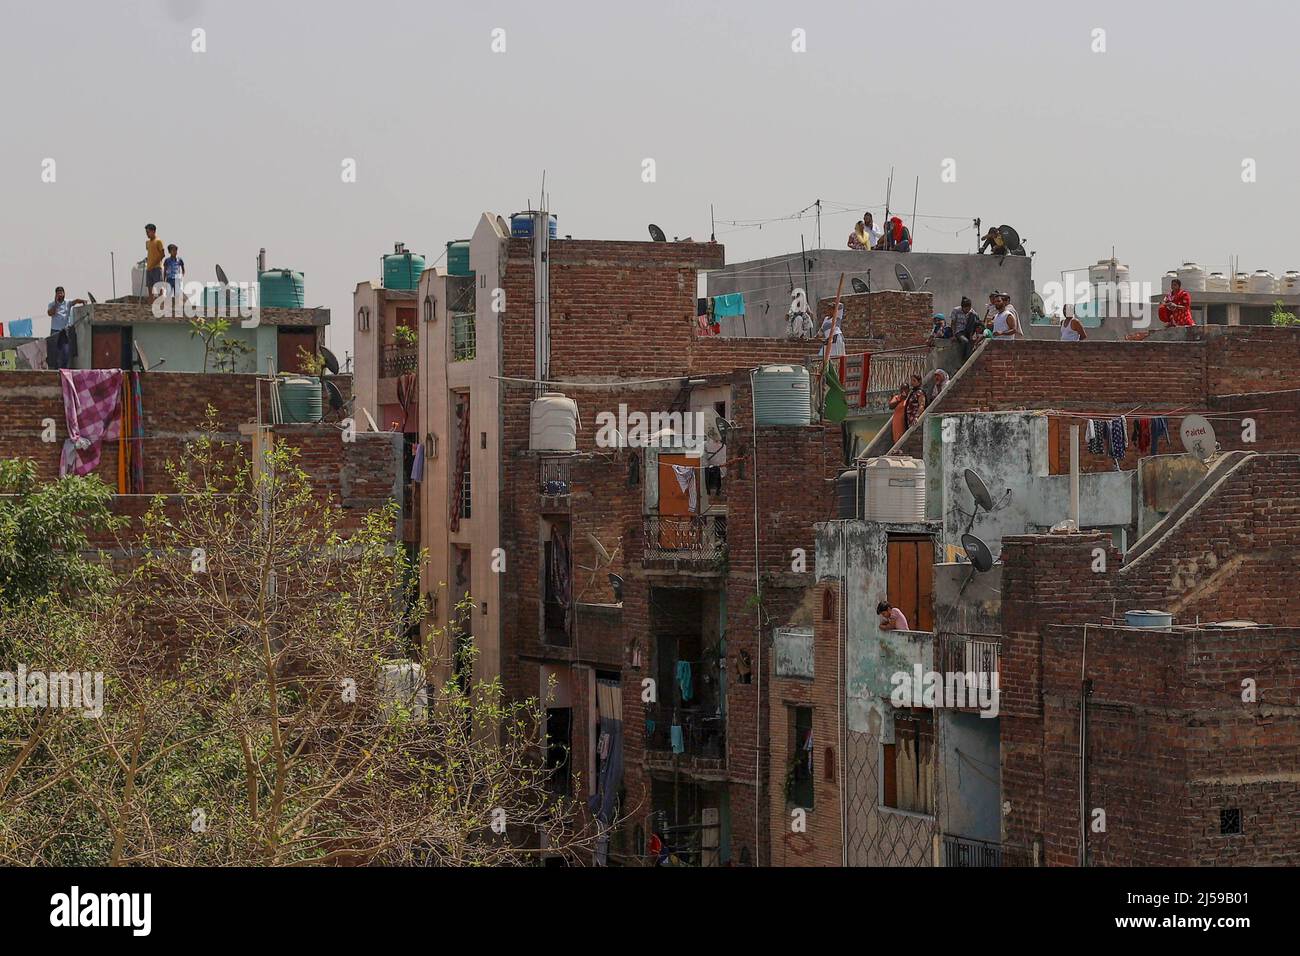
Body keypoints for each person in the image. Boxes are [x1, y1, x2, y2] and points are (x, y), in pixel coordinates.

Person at [948, 296, 980, 361]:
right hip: (959, 331)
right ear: (962, 307)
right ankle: (963, 359)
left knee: (974, 316)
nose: (967, 311)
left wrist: (976, 335)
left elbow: (977, 324)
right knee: (965, 342)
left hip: (968, 331)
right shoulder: (956, 310)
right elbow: (953, 323)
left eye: (968, 309)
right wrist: (953, 335)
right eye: (965, 309)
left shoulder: (972, 312)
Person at [144, 223, 165, 304]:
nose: (147, 234)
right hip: (149, 268)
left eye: (148, 232)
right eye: (146, 232)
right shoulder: (148, 243)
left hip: (156, 267)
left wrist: (155, 262)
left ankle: (161, 305)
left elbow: (162, 254)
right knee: (150, 288)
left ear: (153, 231)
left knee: (159, 287)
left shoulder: (158, 241)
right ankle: (151, 305)